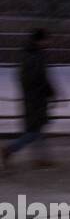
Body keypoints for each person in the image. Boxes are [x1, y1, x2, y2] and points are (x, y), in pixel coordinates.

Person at [2, 29, 58, 169]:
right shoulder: (34, 56)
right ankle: (10, 149)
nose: (49, 42)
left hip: (34, 97)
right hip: (35, 98)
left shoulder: (32, 54)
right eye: (47, 39)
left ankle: (41, 159)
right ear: (40, 40)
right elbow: (37, 77)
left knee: (37, 130)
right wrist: (47, 90)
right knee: (34, 131)